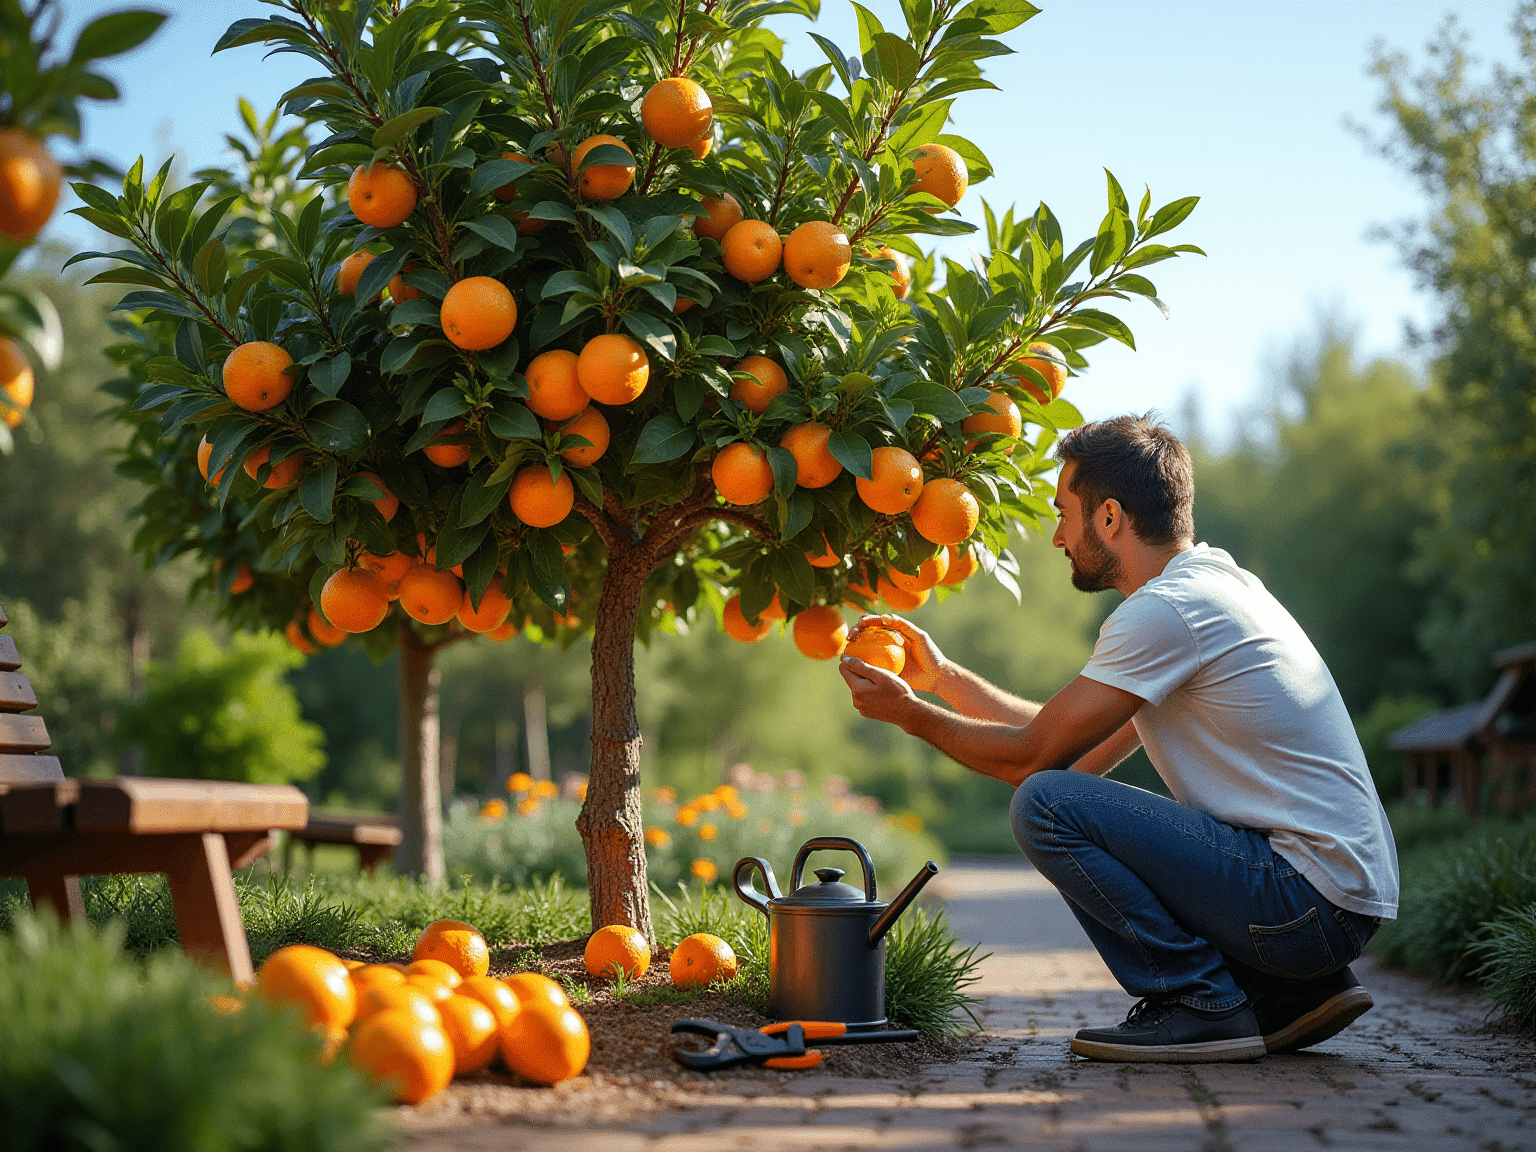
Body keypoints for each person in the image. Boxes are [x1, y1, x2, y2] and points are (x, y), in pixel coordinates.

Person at [839, 414, 1398, 1064]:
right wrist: (940, 679)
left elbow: (1033, 762)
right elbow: (1067, 747)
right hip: (1327, 904)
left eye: (1063, 513)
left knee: (1042, 805)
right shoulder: (1214, 586)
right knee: (1055, 794)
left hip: (1302, 905)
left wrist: (911, 715)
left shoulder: (1164, 612)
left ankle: (1201, 1002)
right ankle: (1282, 991)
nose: (1056, 536)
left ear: (1108, 518)